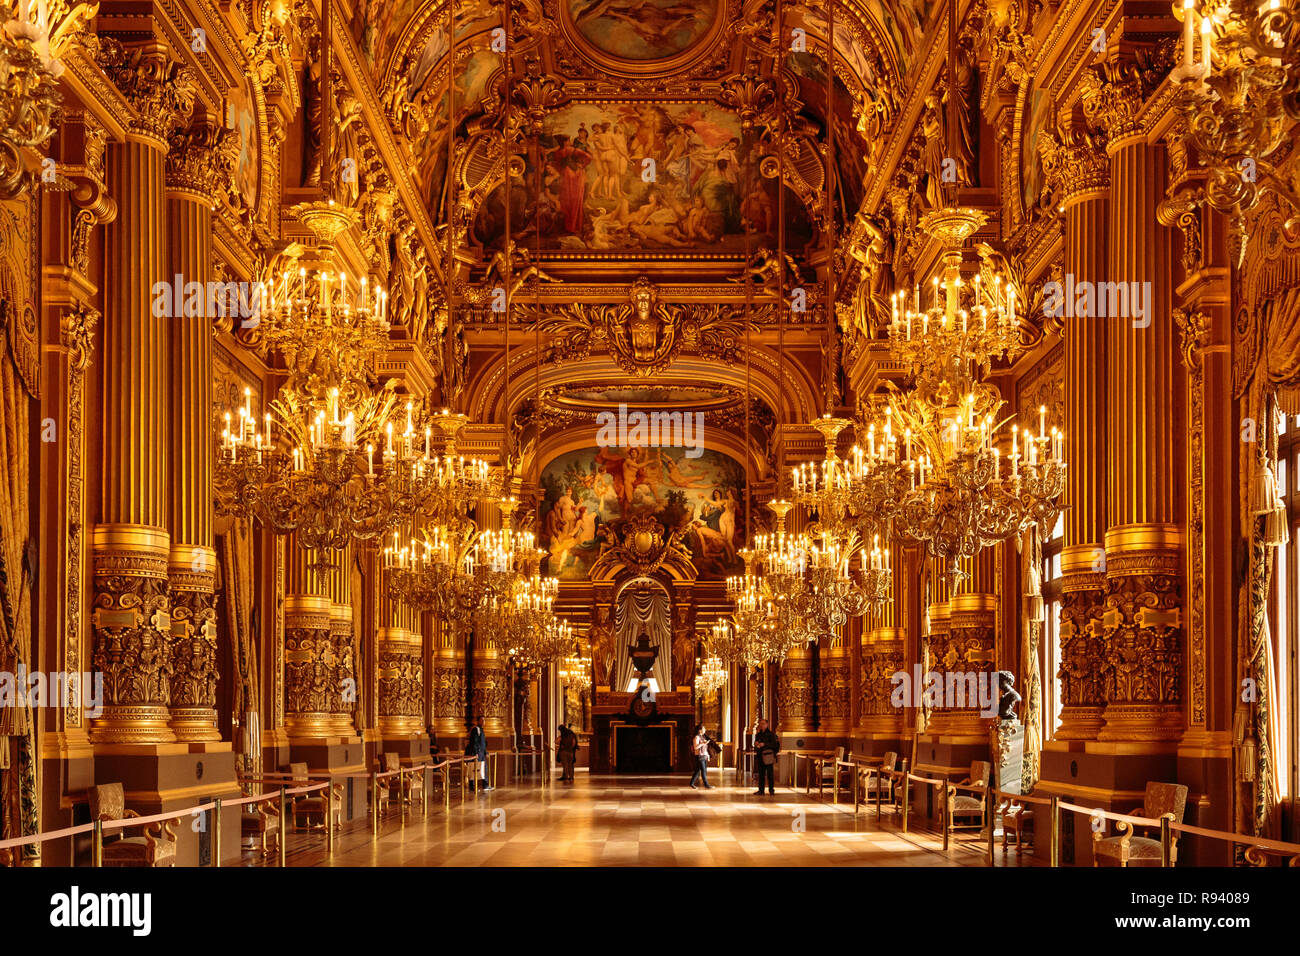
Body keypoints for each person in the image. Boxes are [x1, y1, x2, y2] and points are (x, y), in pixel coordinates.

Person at [753, 718, 779, 795]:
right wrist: (756, 744)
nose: (762, 725)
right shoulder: (758, 734)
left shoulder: (771, 734)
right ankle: (761, 790)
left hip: (768, 757)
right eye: (761, 724)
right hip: (760, 756)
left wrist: (765, 744)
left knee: (770, 774)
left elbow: (774, 745)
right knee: (761, 774)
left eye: (763, 724)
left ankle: (771, 790)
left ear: (767, 724)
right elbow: (756, 744)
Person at [466, 716, 492, 792]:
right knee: (474, 769)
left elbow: (483, 743)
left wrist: (485, 752)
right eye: (482, 720)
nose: (483, 722)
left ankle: (485, 785)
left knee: (484, 769)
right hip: (477, 753)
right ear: (478, 721)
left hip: (481, 753)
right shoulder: (475, 729)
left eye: (484, 720)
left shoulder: (481, 730)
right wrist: (475, 753)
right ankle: (472, 786)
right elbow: (475, 742)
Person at [689, 723, 713, 789]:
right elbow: (696, 747)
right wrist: (702, 743)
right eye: (703, 728)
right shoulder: (696, 737)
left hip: (704, 756)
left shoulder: (703, 737)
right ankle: (706, 784)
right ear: (700, 730)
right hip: (699, 756)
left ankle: (691, 783)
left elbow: (705, 748)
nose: (705, 730)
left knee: (697, 771)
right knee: (703, 770)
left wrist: (707, 755)